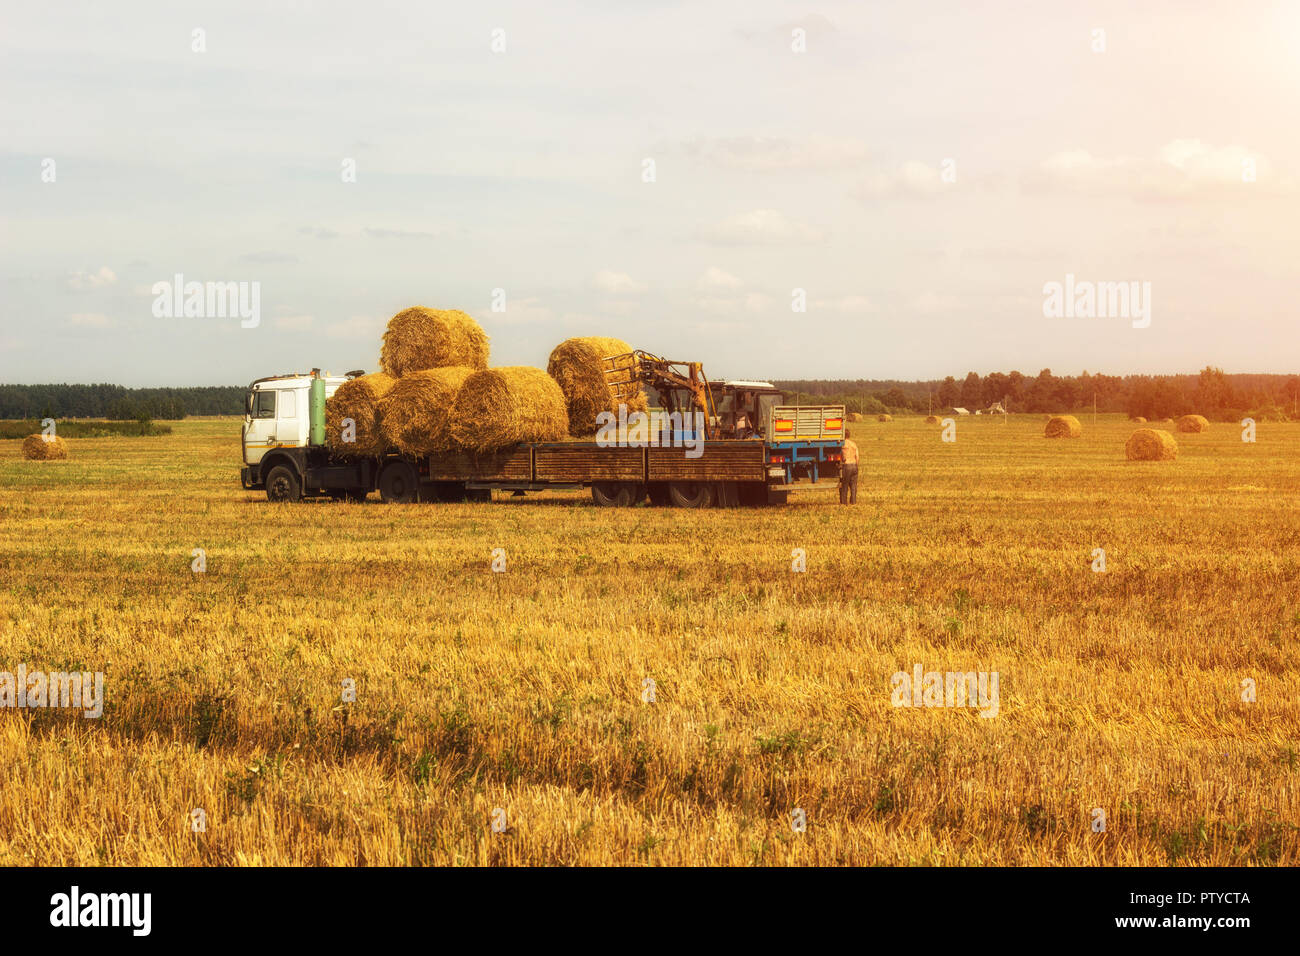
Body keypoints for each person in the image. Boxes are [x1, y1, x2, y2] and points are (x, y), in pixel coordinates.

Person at [839, 437, 859, 505]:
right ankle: (853, 502)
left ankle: (844, 503)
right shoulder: (854, 444)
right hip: (854, 465)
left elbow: (842, 457)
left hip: (847, 465)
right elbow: (857, 457)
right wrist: (856, 466)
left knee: (844, 485)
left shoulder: (843, 445)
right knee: (854, 486)